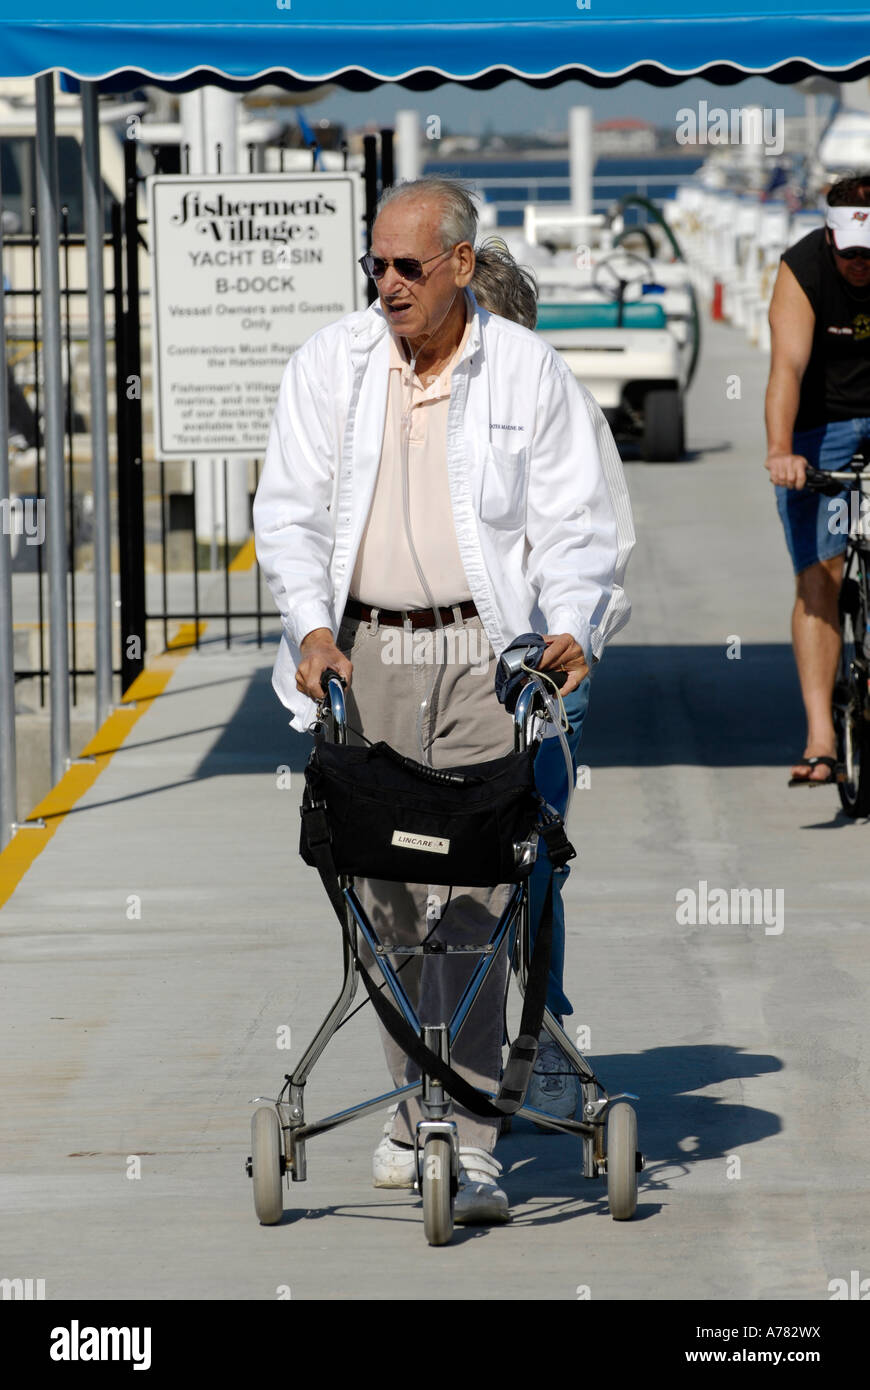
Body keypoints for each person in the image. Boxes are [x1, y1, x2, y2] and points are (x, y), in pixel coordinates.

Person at [254, 176, 634, 1224]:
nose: (385, 285)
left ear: (462, 264)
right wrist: (309, 626)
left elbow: (577, 523)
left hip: (482, 657)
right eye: (374, 265)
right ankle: (411, 1106)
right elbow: (286, 515)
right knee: (381, 895)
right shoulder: (329, 367)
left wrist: (575, 626)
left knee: (471, 896)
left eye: (405, 267)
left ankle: (463, 1139)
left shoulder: (527, 373)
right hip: (362, 651)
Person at [470, 239, 630, 1120]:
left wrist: (572, 645)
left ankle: (543, 1037)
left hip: (542, 683)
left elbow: (605, 548)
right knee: (428, 874)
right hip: (436, 680)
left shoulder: (560, 410)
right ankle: (445, 1062)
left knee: (535, 867)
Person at [765, 173, 870, 785]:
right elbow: (787, 368)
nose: (860, 265)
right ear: (831, 239)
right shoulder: (803, 266)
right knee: (819, 575)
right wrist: (781, 449)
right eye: (851, 253)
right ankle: (822, 737)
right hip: (817, 425)